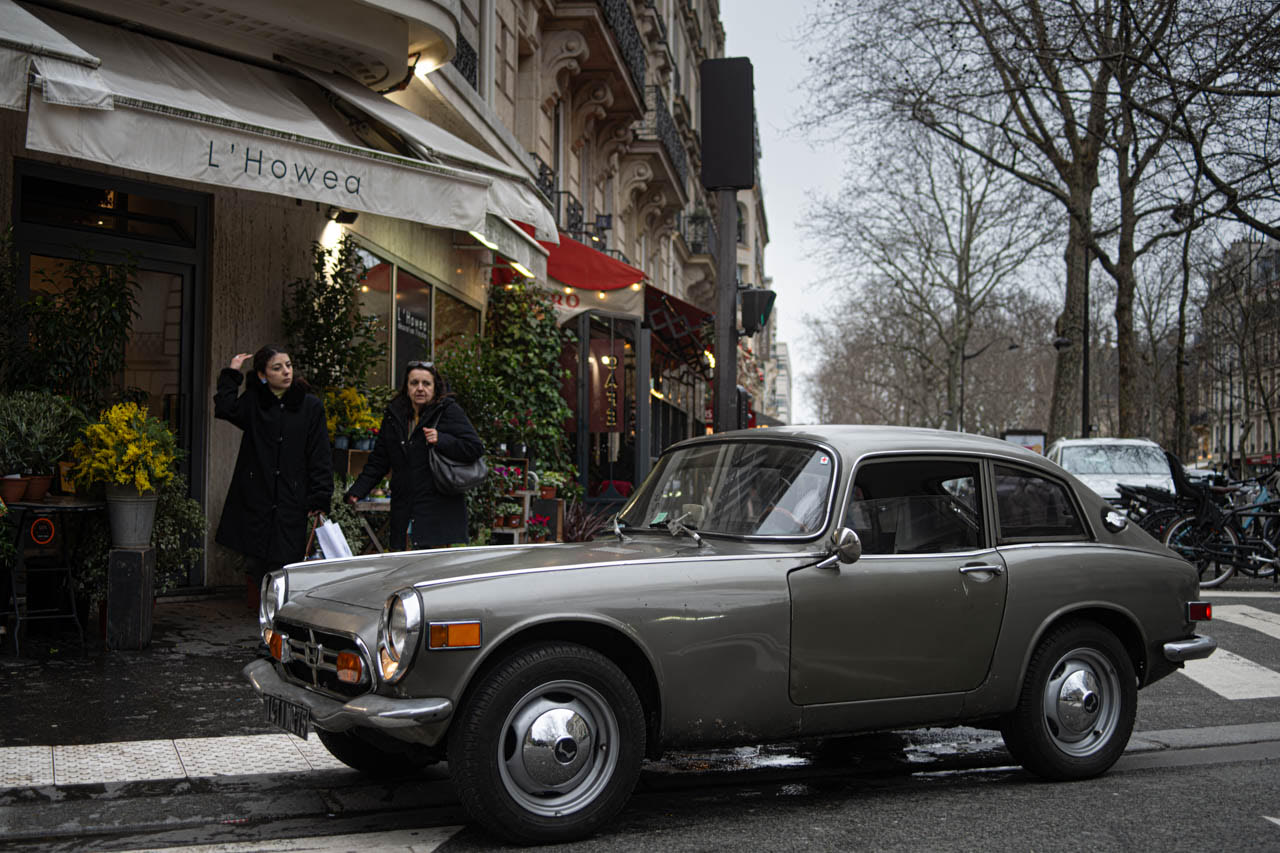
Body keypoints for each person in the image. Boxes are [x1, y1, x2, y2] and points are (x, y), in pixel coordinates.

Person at [214, 345, 332, 607]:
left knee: (287, 562)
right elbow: (224, 407)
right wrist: (232, 372)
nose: (286, 372)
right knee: (257, 561)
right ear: (262, 375)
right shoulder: (255, 402)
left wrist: (320, 497)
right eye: (277, 368)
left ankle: (281, 617)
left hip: (292, 497)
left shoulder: (309, 405)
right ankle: (264, 617)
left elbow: (320, 453)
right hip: (257, 496)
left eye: (288, 365)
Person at [345, 361, 483, 549]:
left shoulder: (447, 411)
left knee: (430, 571)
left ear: (435, 387)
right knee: (402, 568)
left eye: (426, 384)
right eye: (414, 383)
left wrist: (442, 440)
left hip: (437, 509)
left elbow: (474, 447)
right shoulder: (395, 415)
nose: (420, 388)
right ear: (406, 387)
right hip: (403, 507)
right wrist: (358, 491)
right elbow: (380, 459)